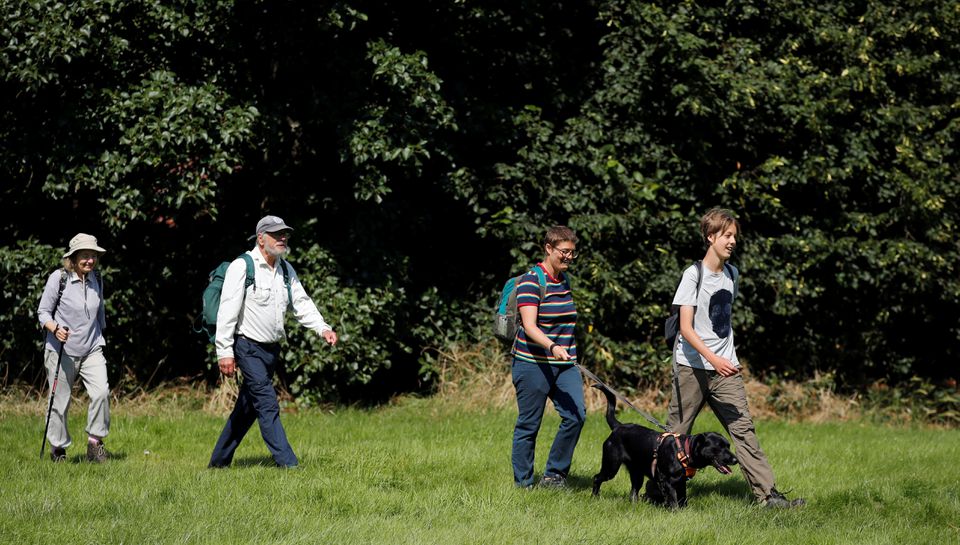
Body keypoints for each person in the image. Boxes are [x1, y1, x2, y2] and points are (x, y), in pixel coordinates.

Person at [667, 207, 804, 508]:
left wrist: (726, 357)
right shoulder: (693, 275)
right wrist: (712, 359)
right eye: (727, 236)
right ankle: (663, 493)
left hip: (727, 370)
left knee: (744, 432)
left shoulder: (732, 274)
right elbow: (686, 329)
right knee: (675, 436)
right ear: (710, 236)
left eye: (734, 236)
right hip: (692, 368)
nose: (732, 241)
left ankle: (769, 497)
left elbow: (723, 322)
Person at [209, 215, 338, 469]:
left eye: (285, 233)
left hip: (270, 352)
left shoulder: (286, 269)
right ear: (260, 238)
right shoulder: (242, 266)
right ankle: (289, 465)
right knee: (268, 404)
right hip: (247, 348)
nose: (283, 238)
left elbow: (301, 303)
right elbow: (227, 312)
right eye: (276, 233)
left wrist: (323, 328)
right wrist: (224, 352)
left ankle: (217, 465)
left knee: (246, 411)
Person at [511, 225, 585, 488]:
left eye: (572, 253)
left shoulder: (564, 281)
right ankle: (524, 484)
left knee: (576, 416)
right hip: (532, 364)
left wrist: (564, 351)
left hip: (565, 364)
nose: (568, 257)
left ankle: (554, 475)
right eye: (564, 252)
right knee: (529, 425)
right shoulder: (532, 281)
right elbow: (530, 327)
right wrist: (553, 346)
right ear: (549, 249)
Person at [36, 233, 111, 463]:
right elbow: (43, 312)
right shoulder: (58, 279)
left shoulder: (96, 278)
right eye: (85, 256)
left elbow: (100, 314)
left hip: (92, 348)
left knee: (101, 393)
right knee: (59, 402)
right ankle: (58, 449)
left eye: (94, 256)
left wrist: (100, 333)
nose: (90, 260)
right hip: (62, 350)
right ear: (74, 257)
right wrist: (55, 328)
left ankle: (94, 444)